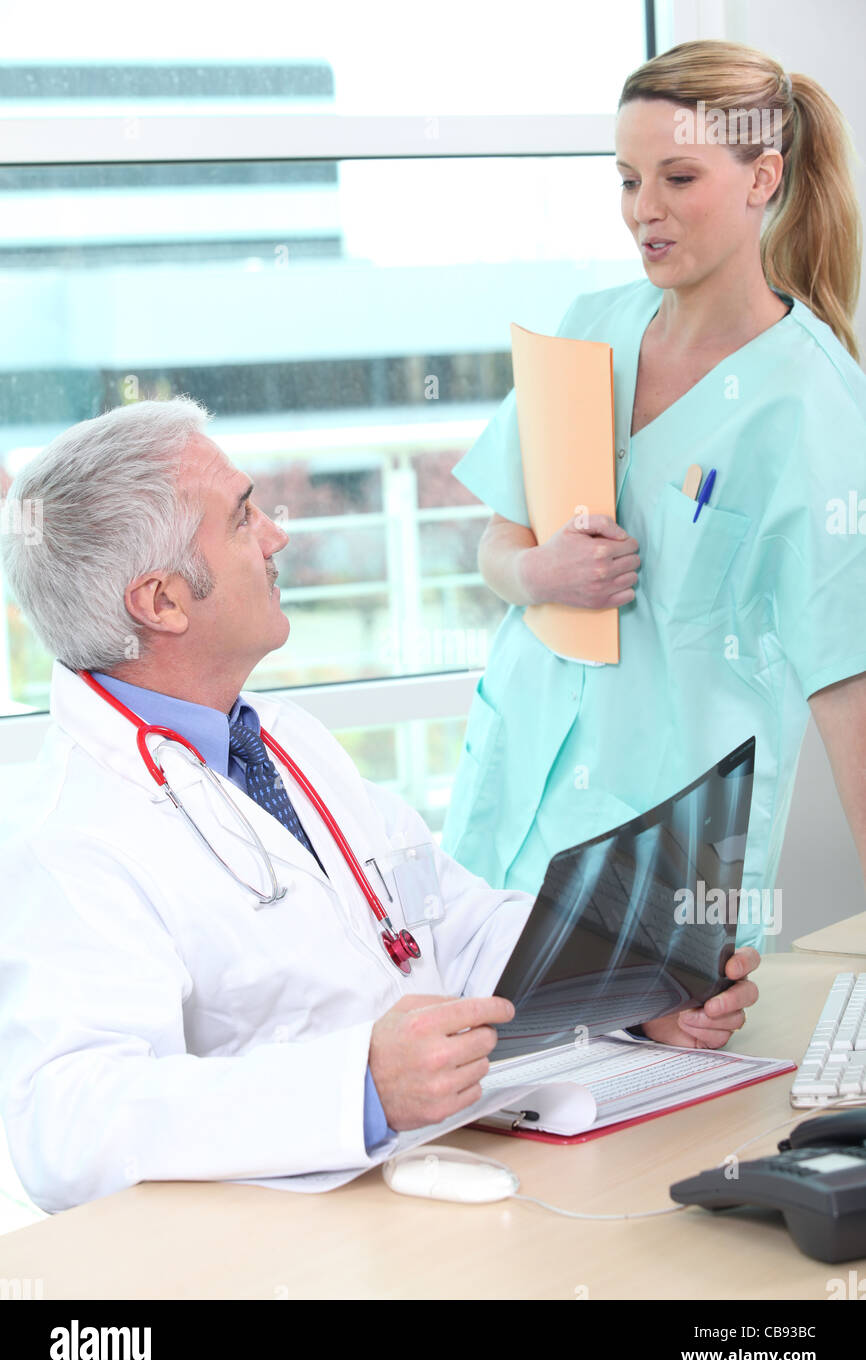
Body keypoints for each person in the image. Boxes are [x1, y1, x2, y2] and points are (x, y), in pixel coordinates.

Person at [0, 399, 759, 1214]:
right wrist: (355, 1087)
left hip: (447, 1170)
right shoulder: (72, 838)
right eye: (244, 515)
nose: (277, 536)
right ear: (162, 604)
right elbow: (64, 1124)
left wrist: (639, 987)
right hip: (304, 1239)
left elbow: (450, 930)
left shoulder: (283, 738)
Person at [441, 39, 866, 946]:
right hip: (509, 807)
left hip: (661, 857)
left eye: (678, 177)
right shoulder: (590, 327)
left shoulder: (814, 404)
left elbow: (850, 689)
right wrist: (539, 574)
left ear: (764, 178)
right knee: (475, 1072)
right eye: (628, 180)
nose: (646, 212)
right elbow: (497, 548)